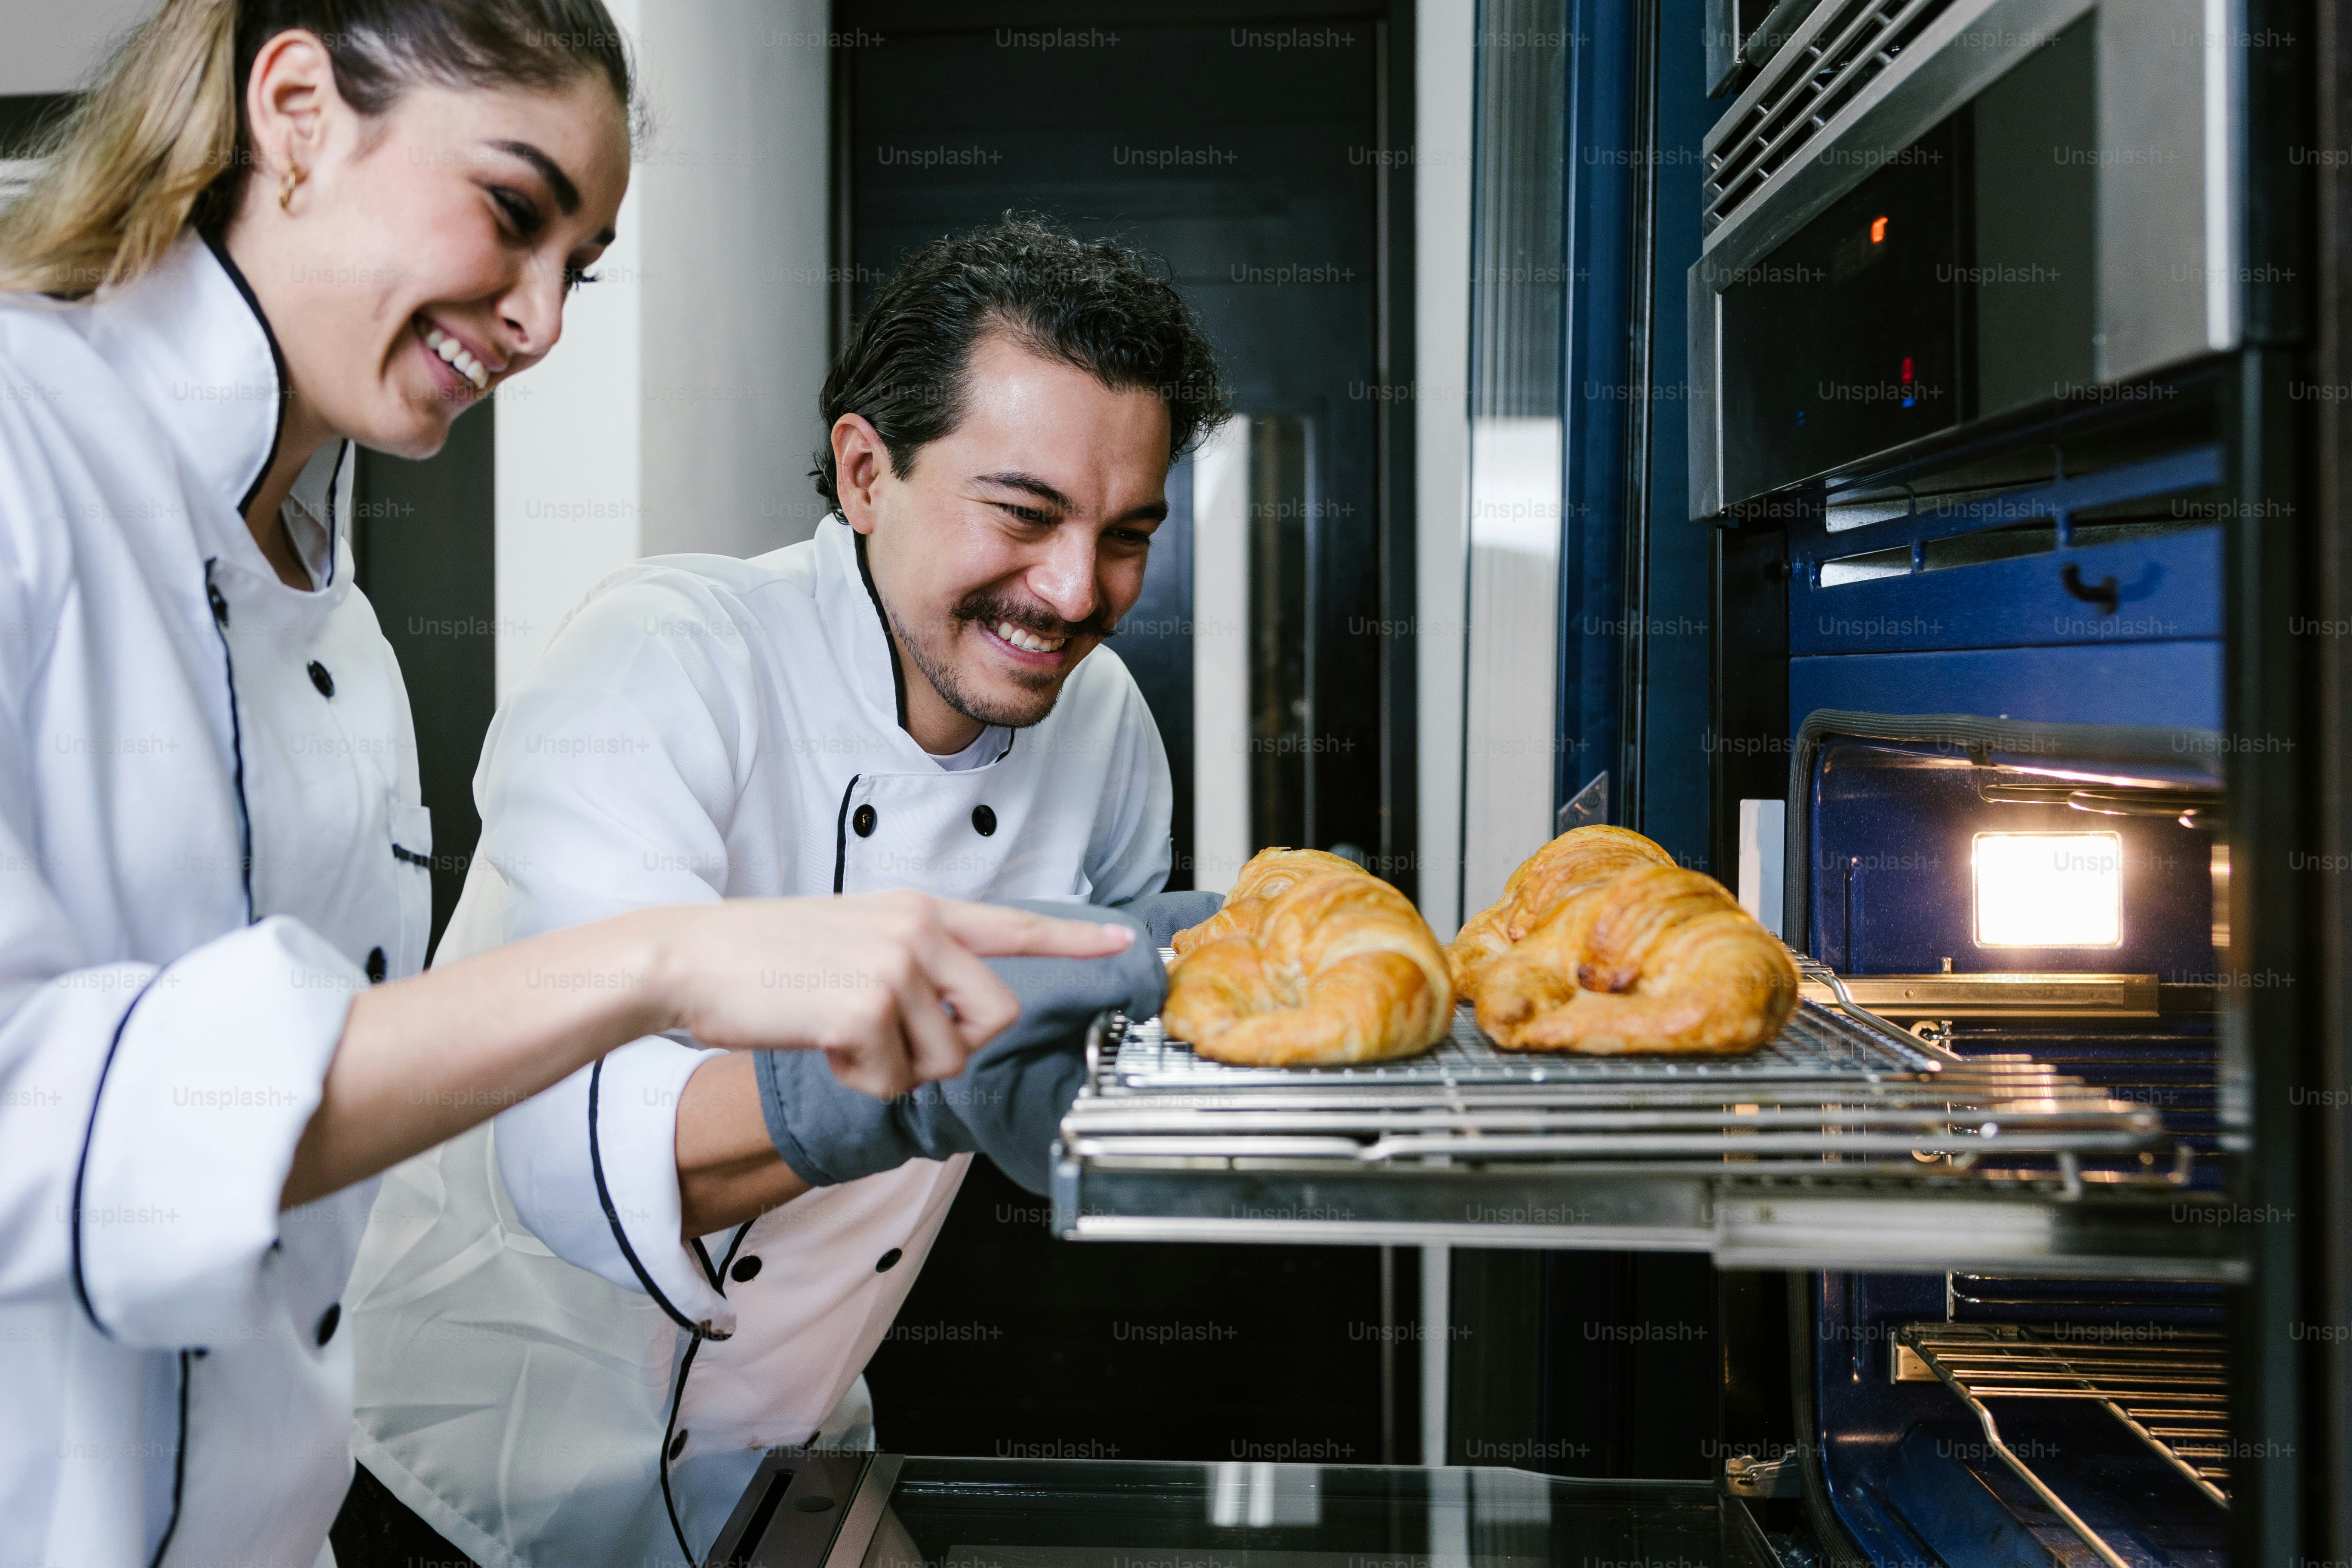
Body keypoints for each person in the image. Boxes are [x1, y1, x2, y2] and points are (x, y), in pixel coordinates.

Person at [0, 9, 1127, 1568]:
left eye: (577, 267)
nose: (540, 322)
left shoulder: (340, 639)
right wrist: (665, 967)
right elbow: (50, 1125)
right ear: (299, 108)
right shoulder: (21, 447)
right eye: (514, 213)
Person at [347, 214, 1232, 1565]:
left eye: (1128, 534)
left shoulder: (1105, 729)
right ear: (865, 471)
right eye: (1025, 512)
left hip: (790, 1441)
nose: (1074, 589)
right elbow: (578, 1155)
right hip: (475, 1470)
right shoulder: (666, 662)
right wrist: (917, 1078)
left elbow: (1074, 1076)